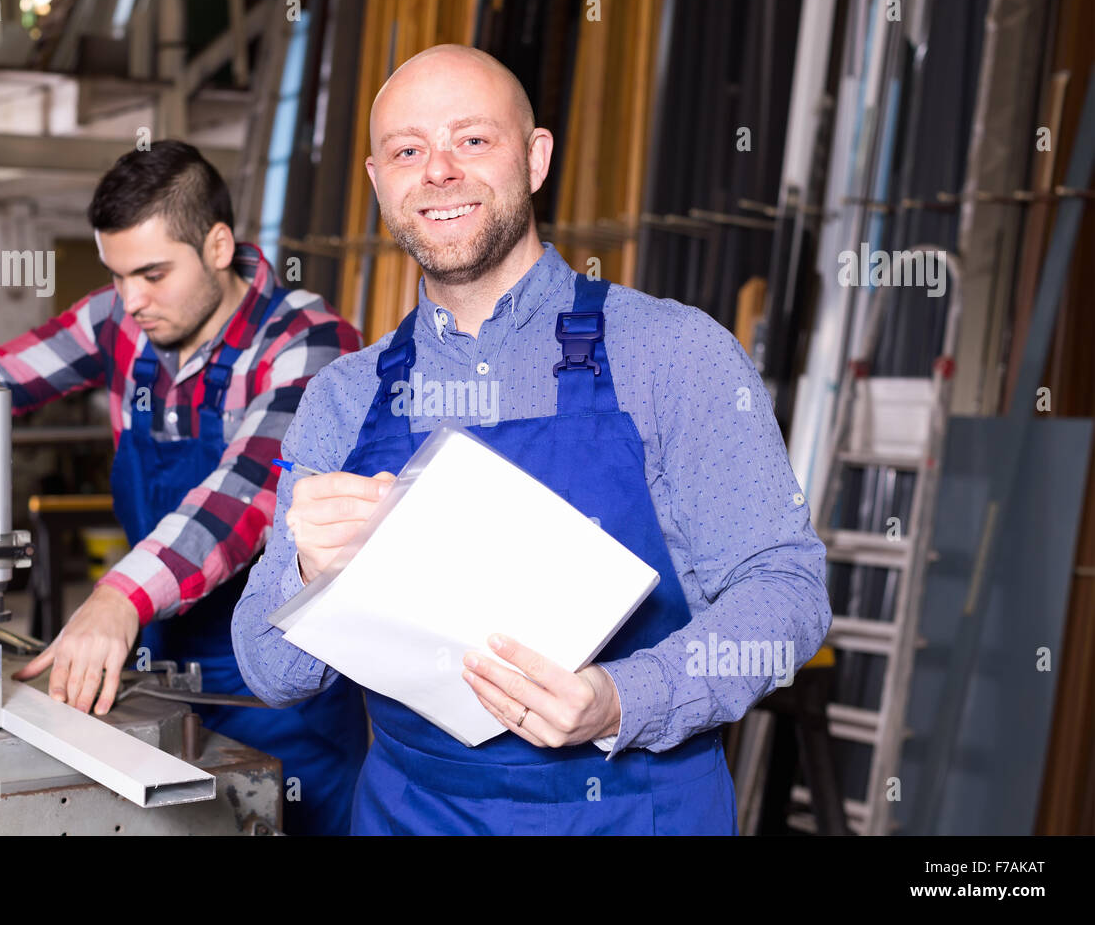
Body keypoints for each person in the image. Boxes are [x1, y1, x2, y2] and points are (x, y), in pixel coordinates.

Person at [231, 45, 832, 835]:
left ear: (536, 157)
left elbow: (787, 594)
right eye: (409, 151)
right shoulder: (345, 399)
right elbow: (271, 675)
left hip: (636, 811)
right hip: (413, 816)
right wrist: (310, 571)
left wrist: (624, 699)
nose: (439, 170)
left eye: (472, 140)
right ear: (379, 182)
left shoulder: (671, 354)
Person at [0, 140, 369, 836]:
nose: (131, 301)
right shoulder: (122, 321)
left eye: (152, 274)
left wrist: (117, 597)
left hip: (281, 681)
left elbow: (240, 496)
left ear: (218, 245)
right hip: (158, 661)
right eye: (118, 274)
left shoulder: (309, 344)